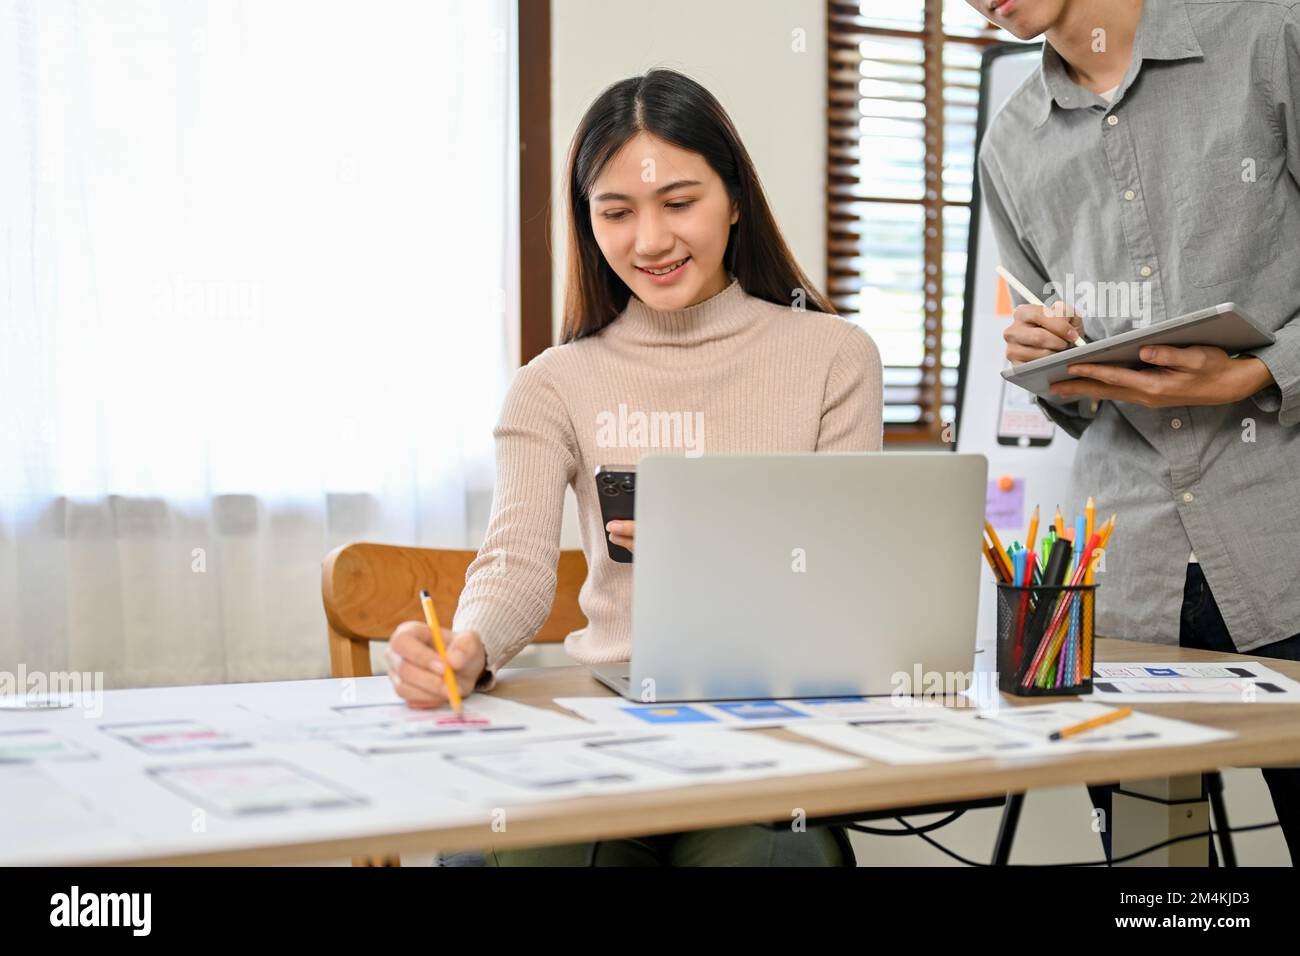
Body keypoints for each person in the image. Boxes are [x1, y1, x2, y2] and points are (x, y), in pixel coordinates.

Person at [387, 69, 883, 865]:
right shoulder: (554, 381)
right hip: (603, 744)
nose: (649, 241)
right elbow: (515, 564)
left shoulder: (834, 357)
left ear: (735, 199)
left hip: (771, 734)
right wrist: (468, 647)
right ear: (590, 223)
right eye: (617, 213)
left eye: (679, 203)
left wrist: (718, 552)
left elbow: (847, 584)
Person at [971, 0, 1300, 863]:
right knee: (1161, 881)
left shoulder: (1272, 37)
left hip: (1287, 544)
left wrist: (1259, 370)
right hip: (1128, 581)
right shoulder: (1010, 145)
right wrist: (1049, 359)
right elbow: (1071, 396)